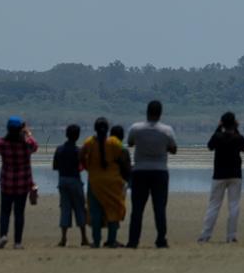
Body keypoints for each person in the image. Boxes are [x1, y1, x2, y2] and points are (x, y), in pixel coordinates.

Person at [126, 99, 178, 249]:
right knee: (159, 207)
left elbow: (130, 143)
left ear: (147, 112)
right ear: (160, 113)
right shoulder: (167, 130)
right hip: (160, 171)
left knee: (137, 209)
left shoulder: (136, 128)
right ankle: (161, 239)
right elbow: (174, 149)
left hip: (140, 171)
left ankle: (133, 241)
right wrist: (163, 148)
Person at [198, 111, 244, 243]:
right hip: (235, 174)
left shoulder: (218, 136)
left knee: (214, 205)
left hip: (219, 175)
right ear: (234, 124)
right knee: (234, 205)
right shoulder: (238, 137)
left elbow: (209, 146)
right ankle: (231, 236)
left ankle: (205, 235)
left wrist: (218, 127)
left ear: (222, 123)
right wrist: (236, 128)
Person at [81, 118, 128, 249]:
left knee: (95, 212)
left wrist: (88, 167)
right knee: (113, 210)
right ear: (107, 129)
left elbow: (80, 156)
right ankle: (111, 240)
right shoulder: (114, 142)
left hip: (95, 182)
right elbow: (124, 157)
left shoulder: (89, 142)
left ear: (95, 129)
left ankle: (96, 242)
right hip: (113, 182)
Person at [0, 116, 37, 250]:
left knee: (5, 212)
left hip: (7, 183)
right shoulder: (27, 145)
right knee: (19, 213)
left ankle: (3, 235)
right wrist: (27, 133)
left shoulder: (2, 144)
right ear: (20, 130)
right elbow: (35, 145)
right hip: (22, 184)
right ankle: (17, 242)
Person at [54, 123, 90, 247]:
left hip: (62, 180)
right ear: (78, 136)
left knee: (65, 209)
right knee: (79, 208)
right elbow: (83, 167)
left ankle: (63, 239)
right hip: (74, 180)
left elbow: (55, 166)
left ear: (66, 134)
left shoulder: (59, 149)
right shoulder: (78, 151)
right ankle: (84, 238)